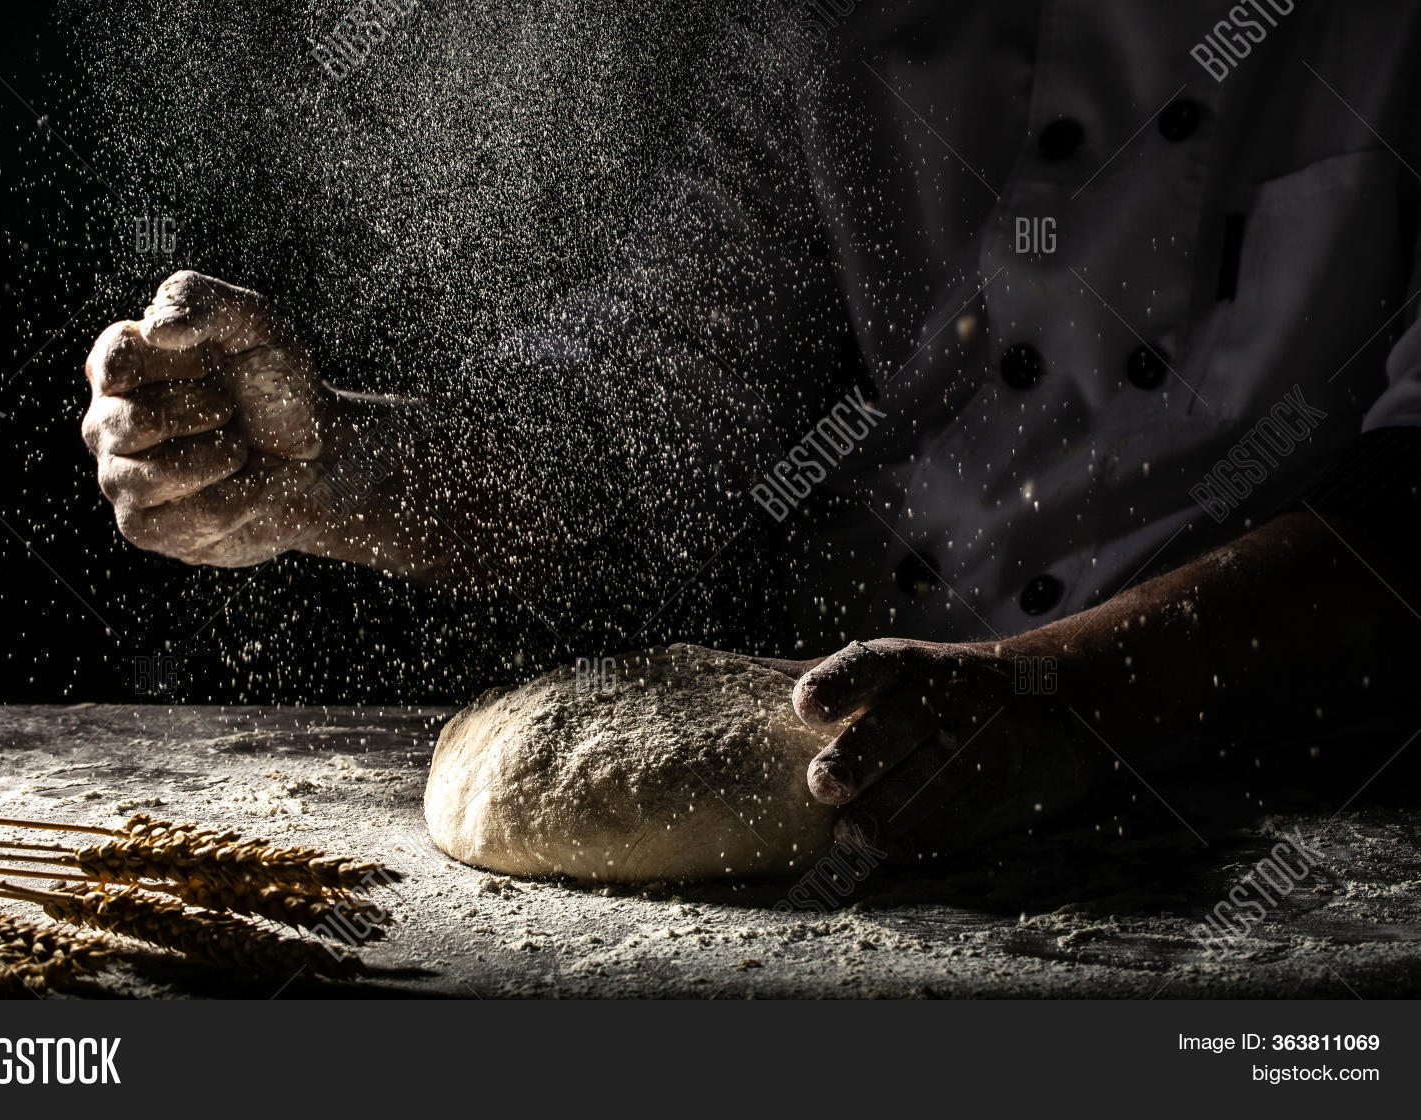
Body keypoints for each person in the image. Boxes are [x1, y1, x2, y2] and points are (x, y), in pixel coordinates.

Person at [80, 2, 1421, 860]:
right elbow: (629, 419)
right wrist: (332, 473)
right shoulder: (829, 32)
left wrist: (1064, 697)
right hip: (858, 797)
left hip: (1303, 812)